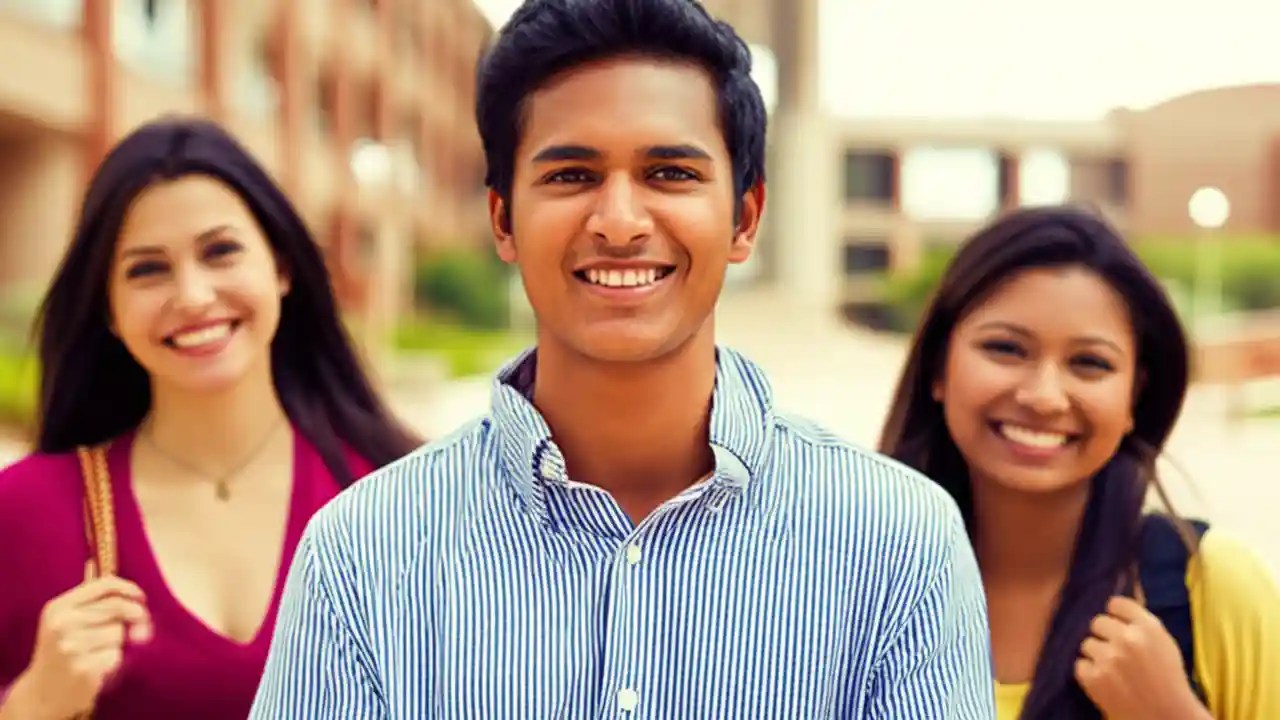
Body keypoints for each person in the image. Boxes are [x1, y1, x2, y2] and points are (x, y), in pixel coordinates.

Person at [250, 0, 995, 717]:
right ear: (503, 219)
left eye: (669, 173)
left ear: (744, 218)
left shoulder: (899, 543)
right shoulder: (362, 555)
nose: (618, 221)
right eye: (571, 175)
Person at [0, 116, 420, 720]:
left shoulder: (402, 495)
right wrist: (34, 702)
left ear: (280, 267)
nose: (193, 295)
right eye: (148, 269)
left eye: (220, 252)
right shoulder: (27, 513)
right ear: (109, 311)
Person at [878, 205, 1280, 720]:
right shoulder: (848, 580)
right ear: (938, 368)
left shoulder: (1211, 585)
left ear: (1136, 395)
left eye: (1089, 363)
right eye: (1006, 349)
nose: (1045, 396)